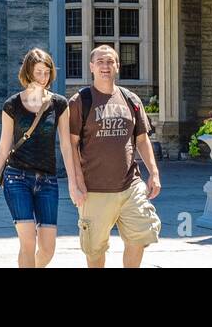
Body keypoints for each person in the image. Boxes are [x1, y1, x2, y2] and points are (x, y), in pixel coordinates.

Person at [0, 48, 81, 268]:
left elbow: (65, 146)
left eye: (46, 72)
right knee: (28, 242)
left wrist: (73, 182)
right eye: (38, 72)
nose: (43, 78)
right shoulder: (11, 105)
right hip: (17, 178)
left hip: (48, 180)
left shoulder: (59, 104)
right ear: (28, 73)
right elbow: (3, 148)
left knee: (47, 248)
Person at [67, 44, 162, 269]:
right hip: (95, 189)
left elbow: (141, 139)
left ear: (118, 66)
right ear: (91, 67)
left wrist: (154, 173)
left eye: (110, 61)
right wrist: (77, 182)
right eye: (100, 61)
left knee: (141, 235)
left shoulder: (131, 100)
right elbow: (71, 145)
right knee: (94, 249)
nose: (105, 66)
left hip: (130, 185)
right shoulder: (80, 101)